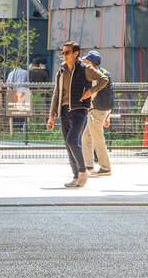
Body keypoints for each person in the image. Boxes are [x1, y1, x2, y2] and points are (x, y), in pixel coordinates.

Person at [46, 41, 108, 188]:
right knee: (68, 144)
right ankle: (75, 176)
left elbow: (104, 79)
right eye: (63, 52)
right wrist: (52, 116)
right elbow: (56, 94)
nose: (64, 55)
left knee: (73, 140)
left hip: (79, 110)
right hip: (64, 111)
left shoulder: (85, 69)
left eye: (67, 52)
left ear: (76, 53)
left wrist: (90, 92)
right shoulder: (60, 71)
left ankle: (83, 171)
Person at [80, 50, 114, 176]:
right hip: (102, 110)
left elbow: (91, 94)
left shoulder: (95, 75)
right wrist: (108, 115)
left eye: (86, 61)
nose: (84, 62)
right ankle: (88, 166)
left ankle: (105, 167)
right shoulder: (105, 73)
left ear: (91, 62)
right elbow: (110, 94)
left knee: (98, 139)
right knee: (86, 137)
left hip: (96, 111)